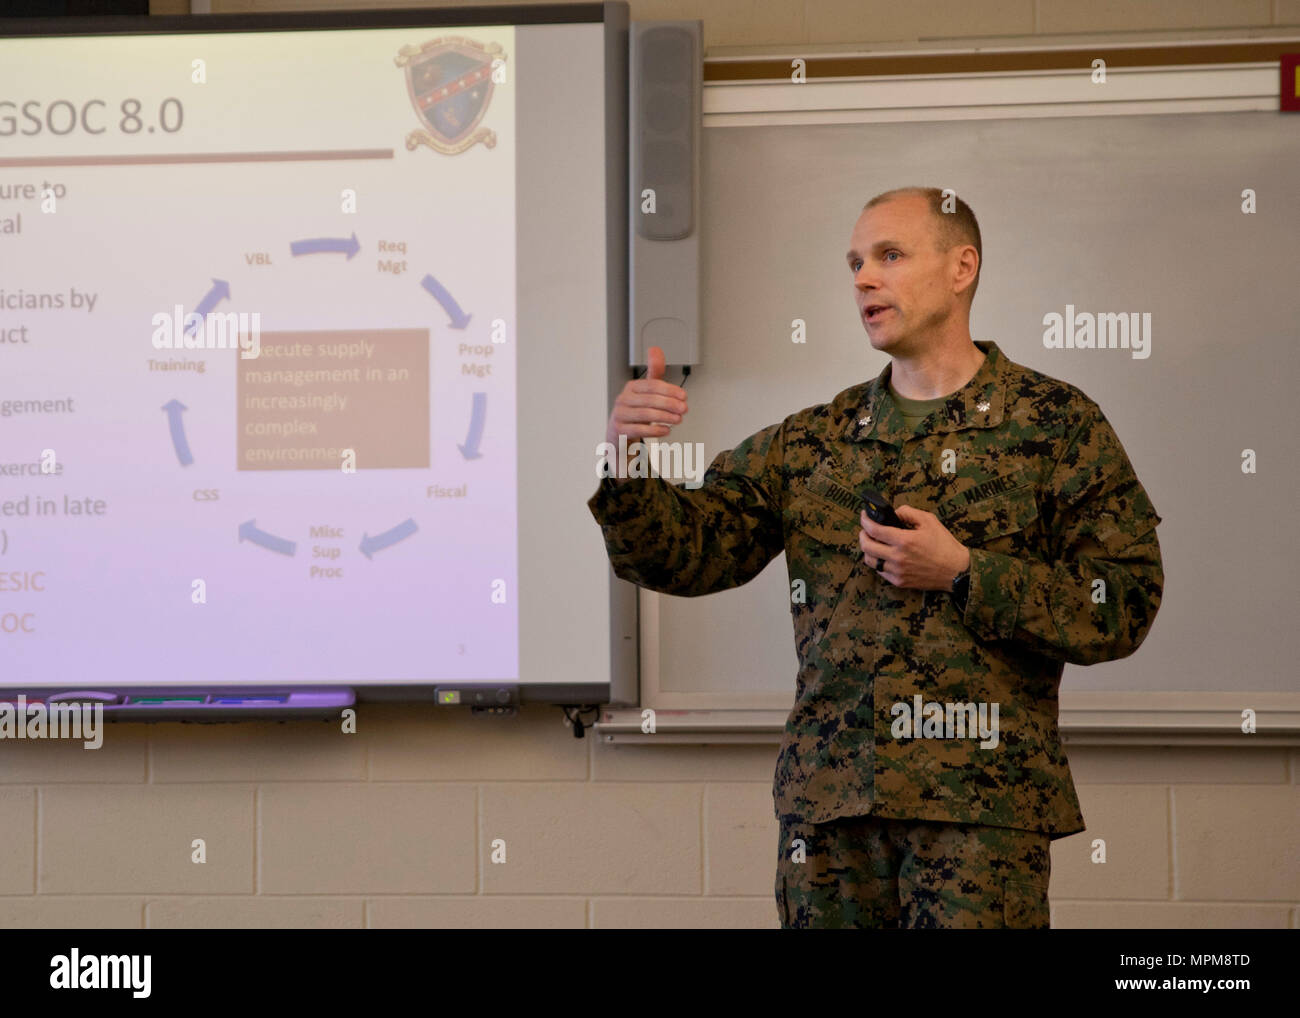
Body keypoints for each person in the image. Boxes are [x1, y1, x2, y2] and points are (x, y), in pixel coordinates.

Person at [587, 186, 1164, 928]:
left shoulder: (1055, 426)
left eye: (889, 255)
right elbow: (687, 556)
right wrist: (626, 460)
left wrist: (965, 573)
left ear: (962, 268)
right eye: (856, 261)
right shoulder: (814, 440)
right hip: (831, 819)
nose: (863, 277)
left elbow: (1122, 604)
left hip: (979, 817)